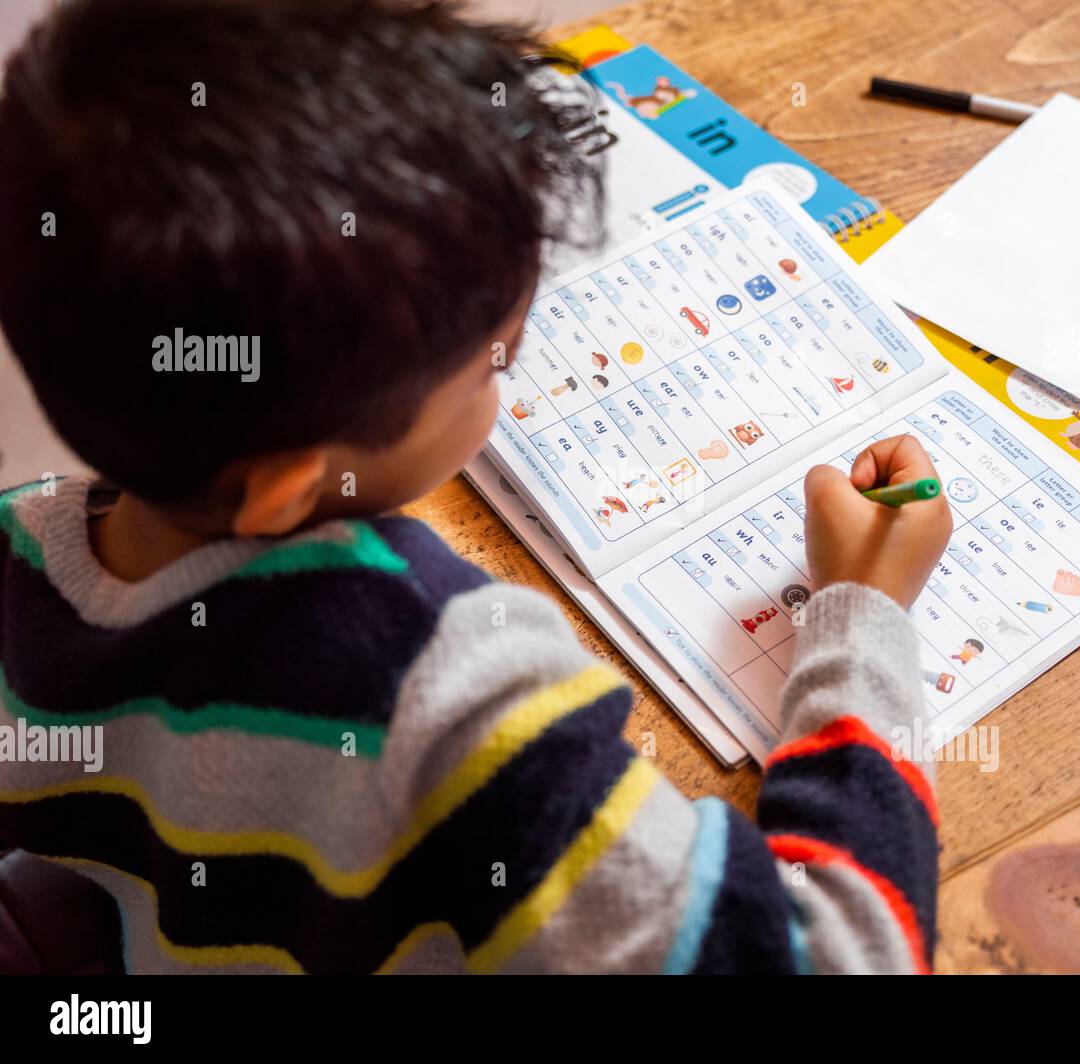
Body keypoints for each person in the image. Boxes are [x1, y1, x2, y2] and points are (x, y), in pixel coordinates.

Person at [0, 0, 952, 973]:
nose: (509, 378)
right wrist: (860, 614)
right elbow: (844, 955)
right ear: (289, 488)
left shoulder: (22, 552)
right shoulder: (445, 691)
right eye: (491, 365)